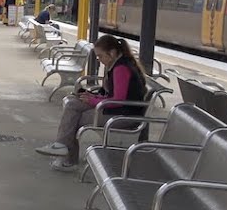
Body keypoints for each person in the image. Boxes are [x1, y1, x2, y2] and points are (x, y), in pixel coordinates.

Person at [36, 35, 147, 172]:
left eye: (100, 56)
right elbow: (112, 95)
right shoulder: (117, 64)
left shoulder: (121, 69)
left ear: (111, 53)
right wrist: (91, 96)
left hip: (123, 116)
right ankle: (62, 149)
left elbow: (119, 99)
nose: (99, 60)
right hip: (118, 110)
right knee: (72, 102)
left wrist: (93, 100)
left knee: (75, 118)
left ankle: (68, 157)